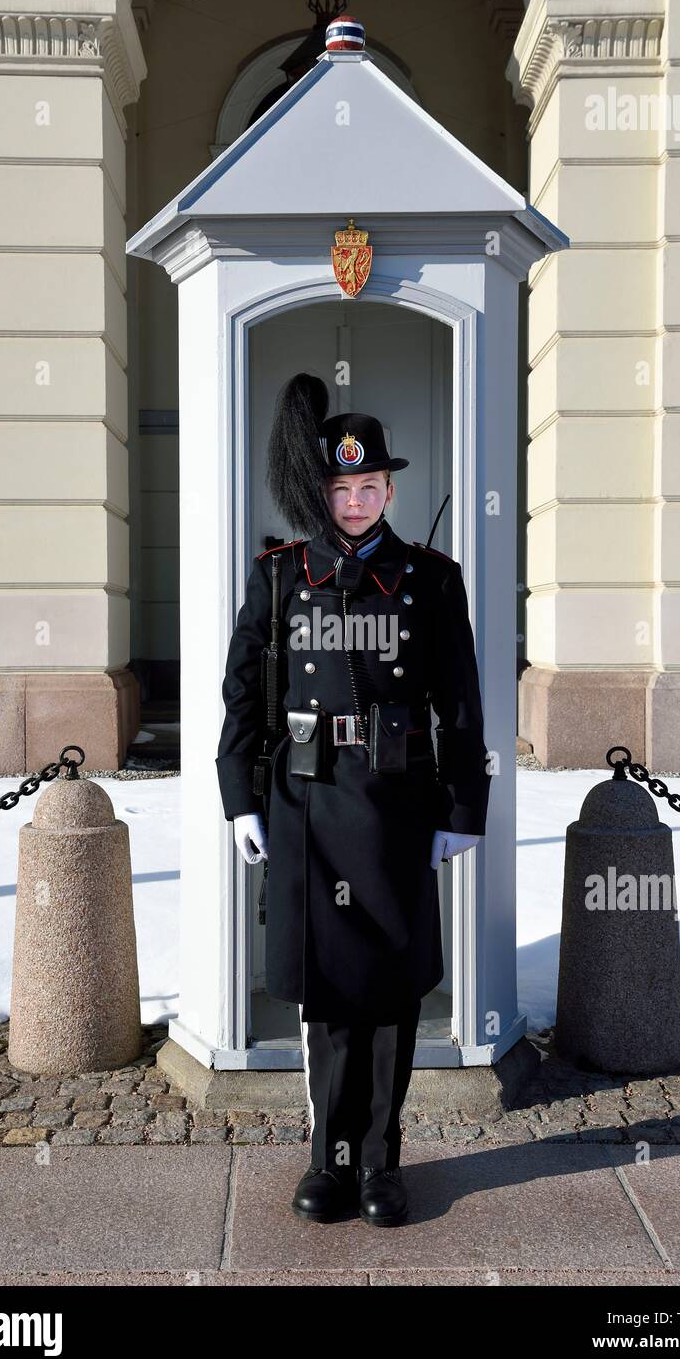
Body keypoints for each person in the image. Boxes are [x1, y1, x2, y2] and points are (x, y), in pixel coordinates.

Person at [215, 371, 490, 1226]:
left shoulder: (432, 579)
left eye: (371, 486)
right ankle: (326, 1162)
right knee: (329, 995)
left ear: (389, 488)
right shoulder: (280, 577)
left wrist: (462, 810)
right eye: (343, 488)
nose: (359, 501)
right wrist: (239, 799)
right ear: (323, 492)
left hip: (399, 802)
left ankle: (380, 1165)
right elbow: (241, 692)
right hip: (305, 800)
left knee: (391, 994)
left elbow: (461, 702)